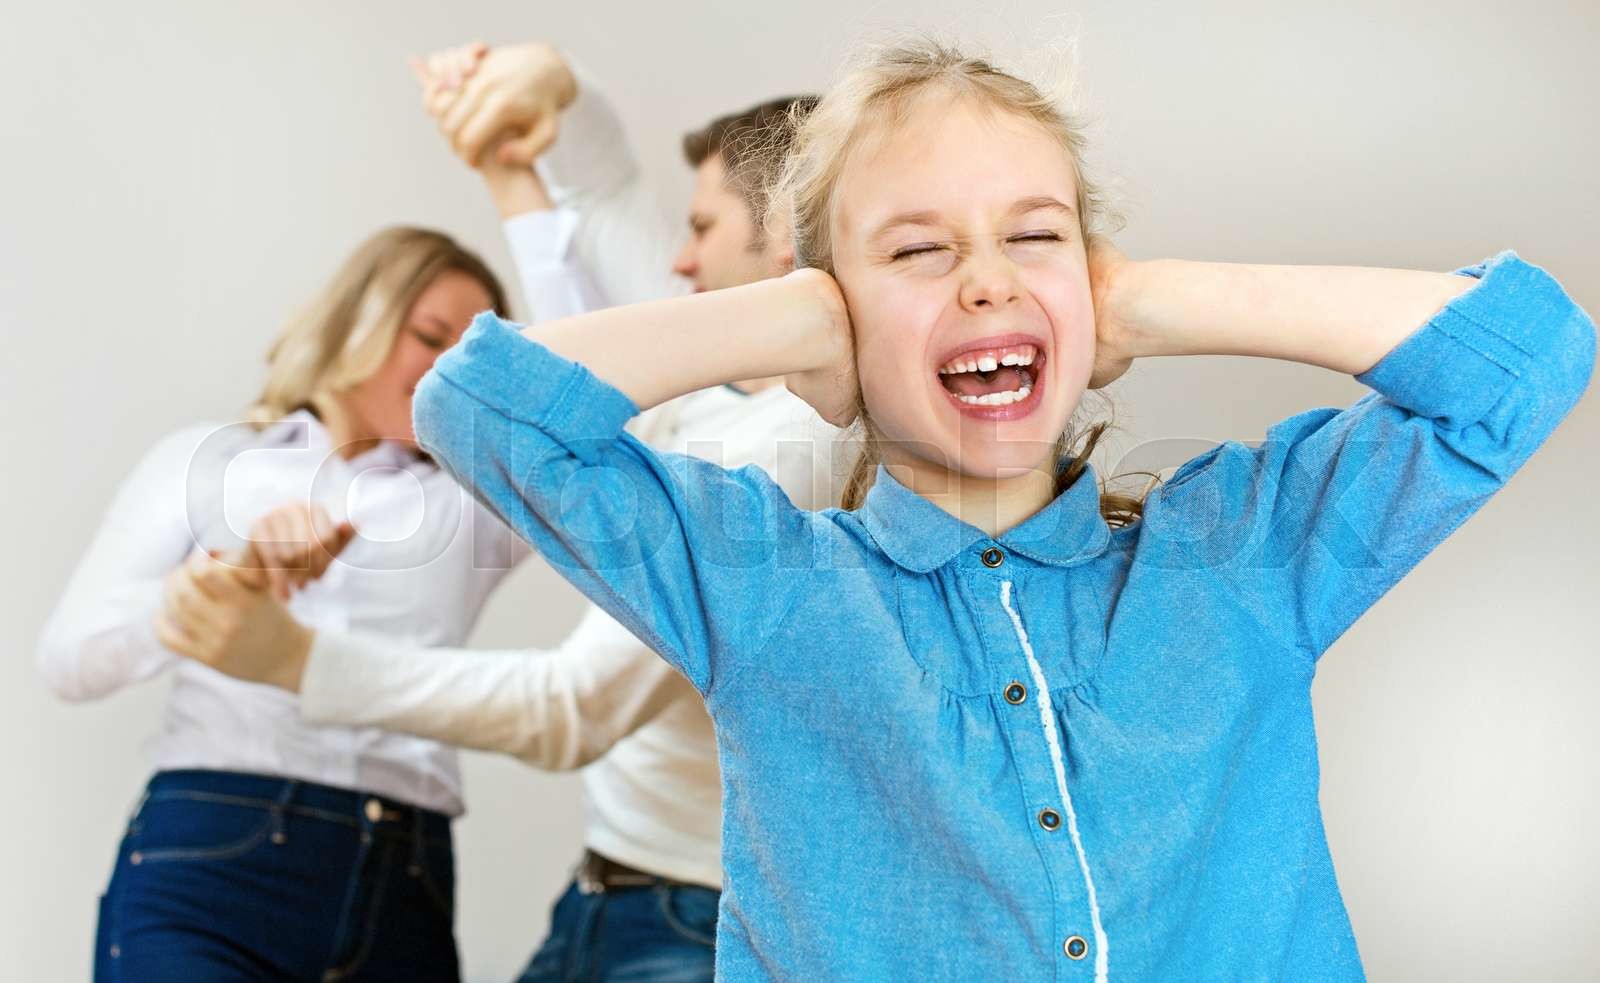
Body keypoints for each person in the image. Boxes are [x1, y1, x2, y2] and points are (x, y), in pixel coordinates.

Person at [410, 37, 1596, 981]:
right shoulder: (760, 582)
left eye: (1036, 236)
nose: (986, 279)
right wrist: (791, 327)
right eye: (916, 253)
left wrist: (1153, 300)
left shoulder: (1243, 551)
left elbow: (1526, 359)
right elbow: (477, 410)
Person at [161, 41, 833, 983]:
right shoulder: (721, 386)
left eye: (702, 226)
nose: (678, 259)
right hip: (609, 897)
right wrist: (545, 107)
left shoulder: (788, 455)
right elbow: (601, 200)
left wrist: (294, 659)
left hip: (702, 925)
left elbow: (571, 708)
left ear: (787, 247)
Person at [38, 227, 529, 981]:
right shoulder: (210, 463)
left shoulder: (475, 504)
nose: (444, 370)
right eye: (430, 336)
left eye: (470, 359)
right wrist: (219, 580)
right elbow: (71, 658)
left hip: (402, 878)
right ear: (354, 321)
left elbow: (602, 400)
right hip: (211, 855)